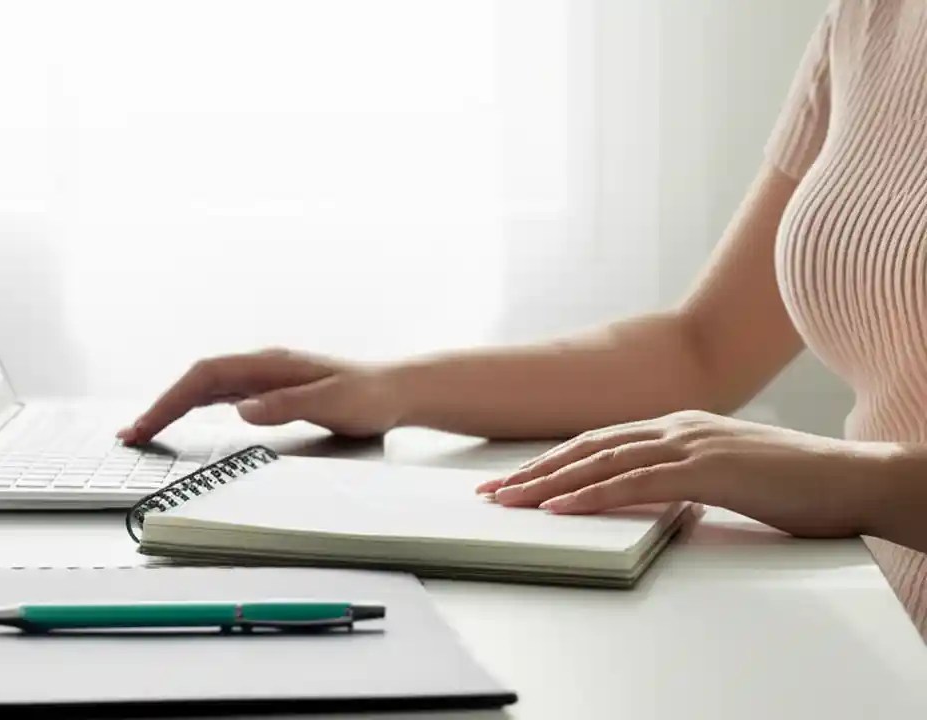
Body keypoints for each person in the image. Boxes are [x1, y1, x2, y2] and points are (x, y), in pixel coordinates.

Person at [118, 0, 927, 639]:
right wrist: (390, 389)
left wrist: (859, 480)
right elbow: (702, 349)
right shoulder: (870, 16)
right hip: (878, 620)